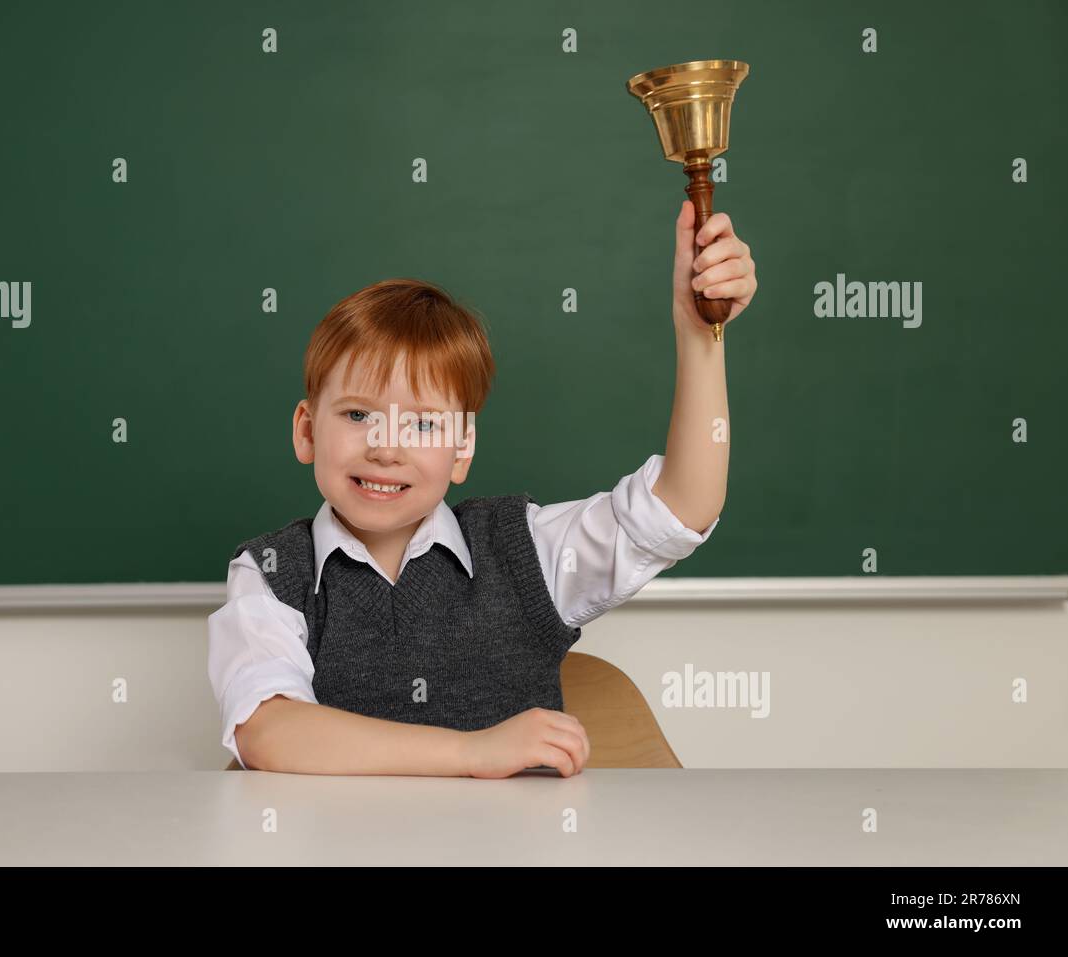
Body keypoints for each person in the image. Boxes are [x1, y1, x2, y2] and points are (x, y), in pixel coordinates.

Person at [207, 201, 756, 777]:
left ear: (463, 448)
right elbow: (269, 731)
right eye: (357, 414)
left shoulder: (524, 551)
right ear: (305, 430)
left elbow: (680, 508)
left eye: (423, 424)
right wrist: (472, 752)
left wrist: (699, 335)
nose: (385, 447)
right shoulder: (269, 573)